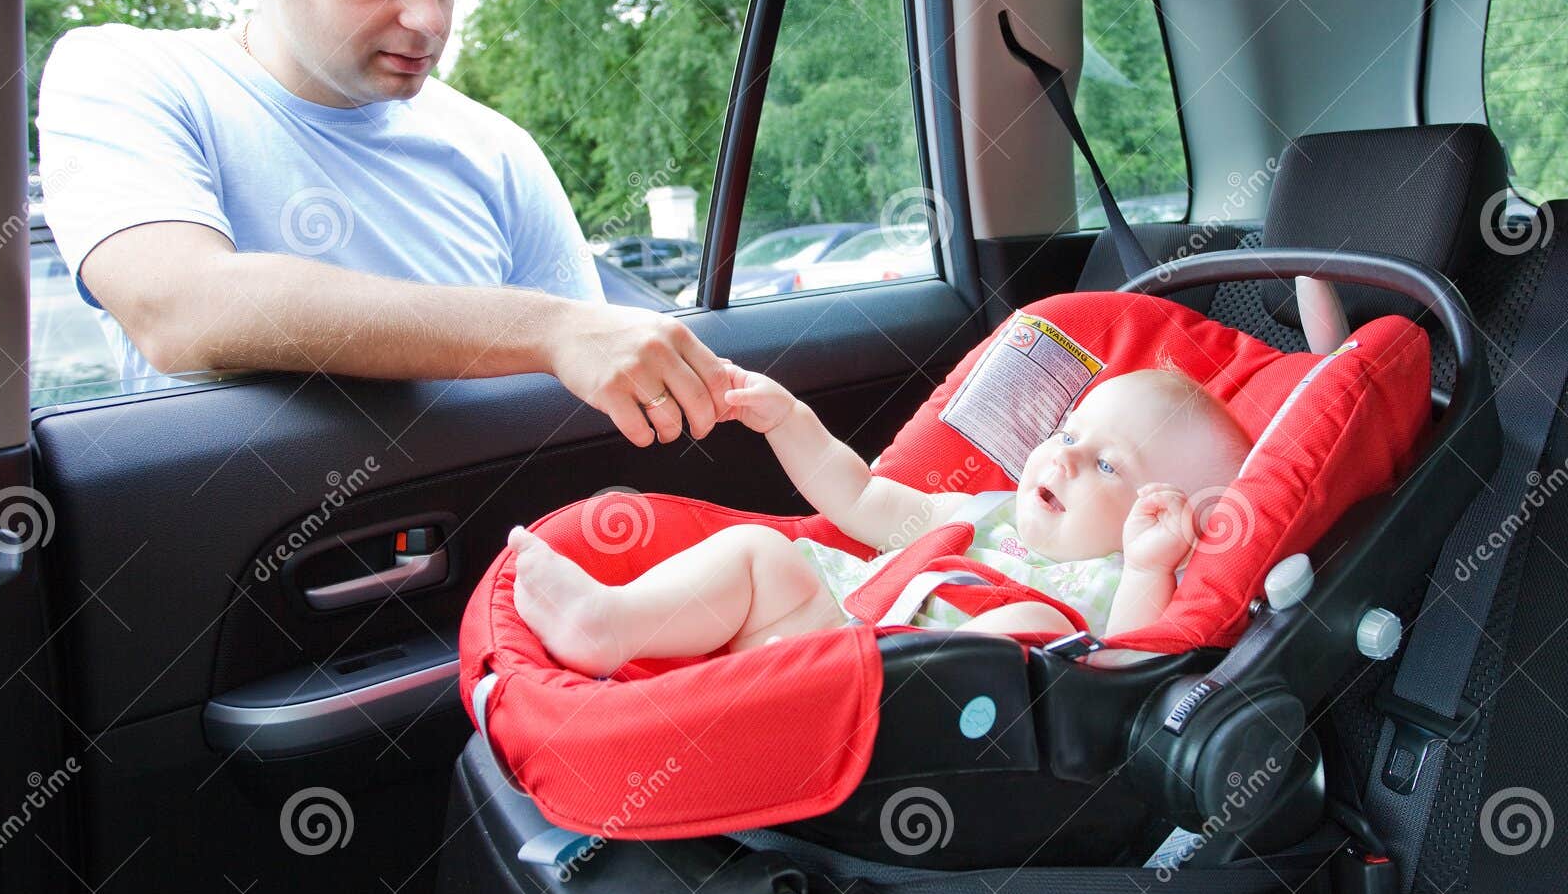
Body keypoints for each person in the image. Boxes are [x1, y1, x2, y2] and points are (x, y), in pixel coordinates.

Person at [35, 0, 728, 447]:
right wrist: (550, 330)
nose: (429, 19)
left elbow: (586, 397)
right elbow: (179, 308)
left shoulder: (497, 149)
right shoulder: (128, 75)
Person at [509, 364, 1254, 677]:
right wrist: (789, 421)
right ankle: (612, 623)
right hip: (822, 640)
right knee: (759, 552)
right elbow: (860, 499)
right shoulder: (982, 517)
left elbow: (1126, 664)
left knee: (1021, 622)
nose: (1060, 461)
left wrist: (1153, 564)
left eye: (1108, 466)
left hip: (913, 723)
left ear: (1161, 521)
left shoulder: (1120, 585)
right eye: (1065, 436)